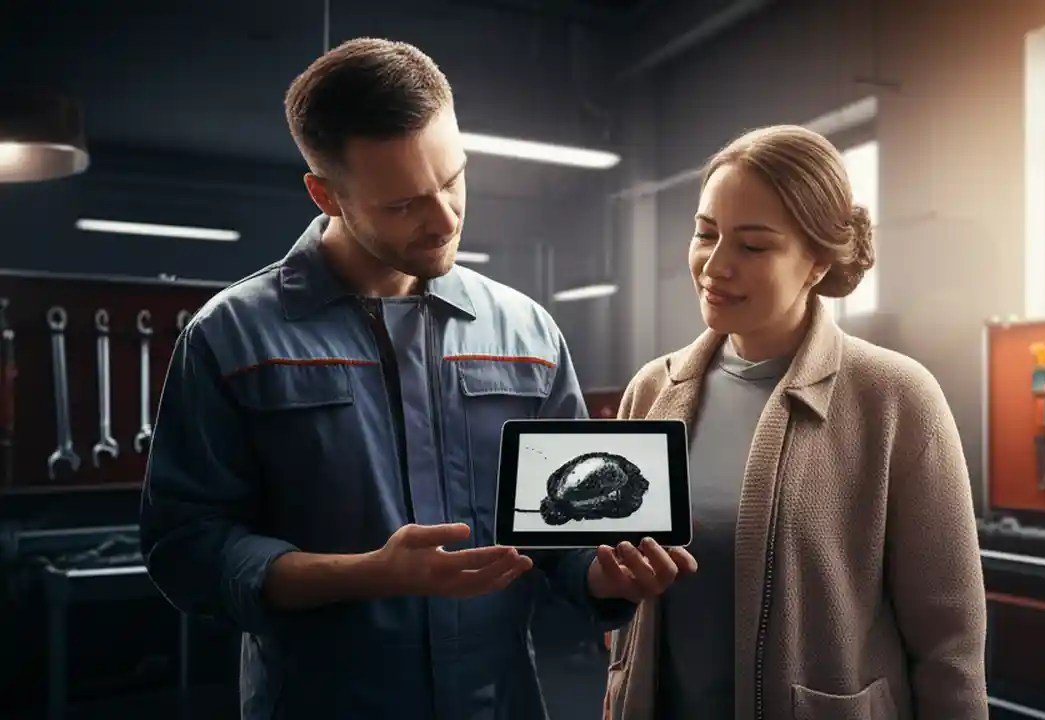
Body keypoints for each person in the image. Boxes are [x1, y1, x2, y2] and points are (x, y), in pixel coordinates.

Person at [139, 38, 694, 720]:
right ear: (326, 194)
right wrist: (370, 574)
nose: (444, 219)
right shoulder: (233, 339)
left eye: (453, 179)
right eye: (402, 205)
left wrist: (603, 575)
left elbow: (564, 538)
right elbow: (187, 548)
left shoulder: (527, 335)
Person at [603, 125, 988, 719]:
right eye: (706, 234)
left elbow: (950, 643)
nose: (715, 265)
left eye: (753, 246)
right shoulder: (653, 389)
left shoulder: (895, 399)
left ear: (815, 263)